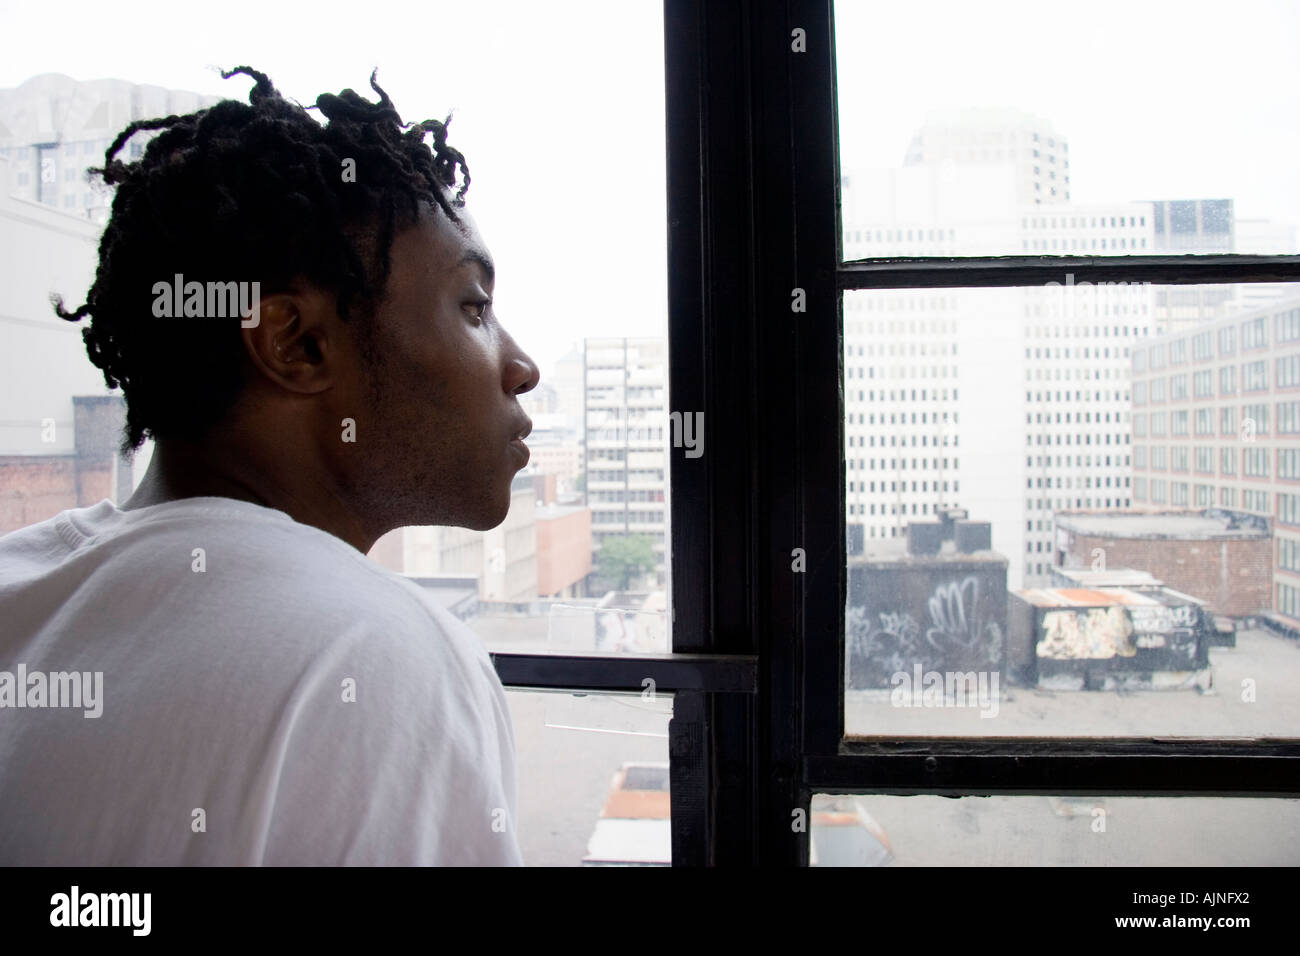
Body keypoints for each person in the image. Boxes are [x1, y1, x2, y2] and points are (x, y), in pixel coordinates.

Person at [0, 66, 538, 864]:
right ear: (296, 343)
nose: (520, 364)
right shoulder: (373, 657)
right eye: (473, 307)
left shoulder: (18, 589)